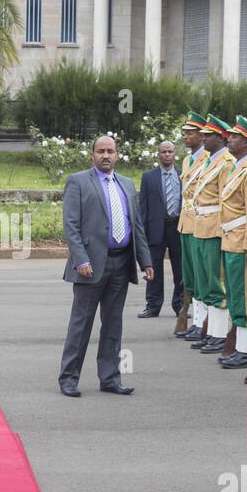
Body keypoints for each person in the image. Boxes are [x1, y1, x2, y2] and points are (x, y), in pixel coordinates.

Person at [58, 135, 153, 397]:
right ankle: (68, 378)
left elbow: (137, 226)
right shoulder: (78, 182)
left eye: (110, 151)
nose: (106, 155)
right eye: (100, 151)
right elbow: (71, 226)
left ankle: (110, 378)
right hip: (90, 266)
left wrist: (145, 261)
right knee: (81, 324)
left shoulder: (126, 183)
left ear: (117, 154)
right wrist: (81, 259)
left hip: (121, 264)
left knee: (113, 324)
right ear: (92, 155)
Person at [217, 117, 247, 370]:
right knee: (235, 294)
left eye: (234, 137)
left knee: (244, 298)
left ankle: (246, 349)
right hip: (229, 239)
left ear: (246, 142)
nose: (229, 139)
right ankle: (240, 346)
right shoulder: (236, 167)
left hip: (241, 241)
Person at [188, 115, 235, 354]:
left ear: (219, 138)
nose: (203, 138)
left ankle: (219, 334)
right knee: (206, 282)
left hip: (215, 226)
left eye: (208, 135)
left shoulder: (226, 163)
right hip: (200, 225)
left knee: (218, 283)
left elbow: (227, 199)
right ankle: (211, 331)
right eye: (203, 134)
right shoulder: (208, 161)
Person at [138, 140, 185, 318]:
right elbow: (143, 206)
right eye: (163, 152)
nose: (167, 155)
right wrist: (142, 232)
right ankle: (153, 306)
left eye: (170, 151)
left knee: (180, 269)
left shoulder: (183, 176)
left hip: (177, 227)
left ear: (175, 154)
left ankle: (180, 305)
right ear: (158, 154)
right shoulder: (148, 177)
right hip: (156, 228)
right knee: (153, 269)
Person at [174, 117, 206, 336]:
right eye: (184, 132)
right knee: (189, 274)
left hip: (201, 222)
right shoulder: (186, 161)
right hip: (185, 222)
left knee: (202, 274)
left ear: (201, 135)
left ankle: (201, 322)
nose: (186, 136)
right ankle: (191, 316)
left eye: (190, 132)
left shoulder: (208, 159)